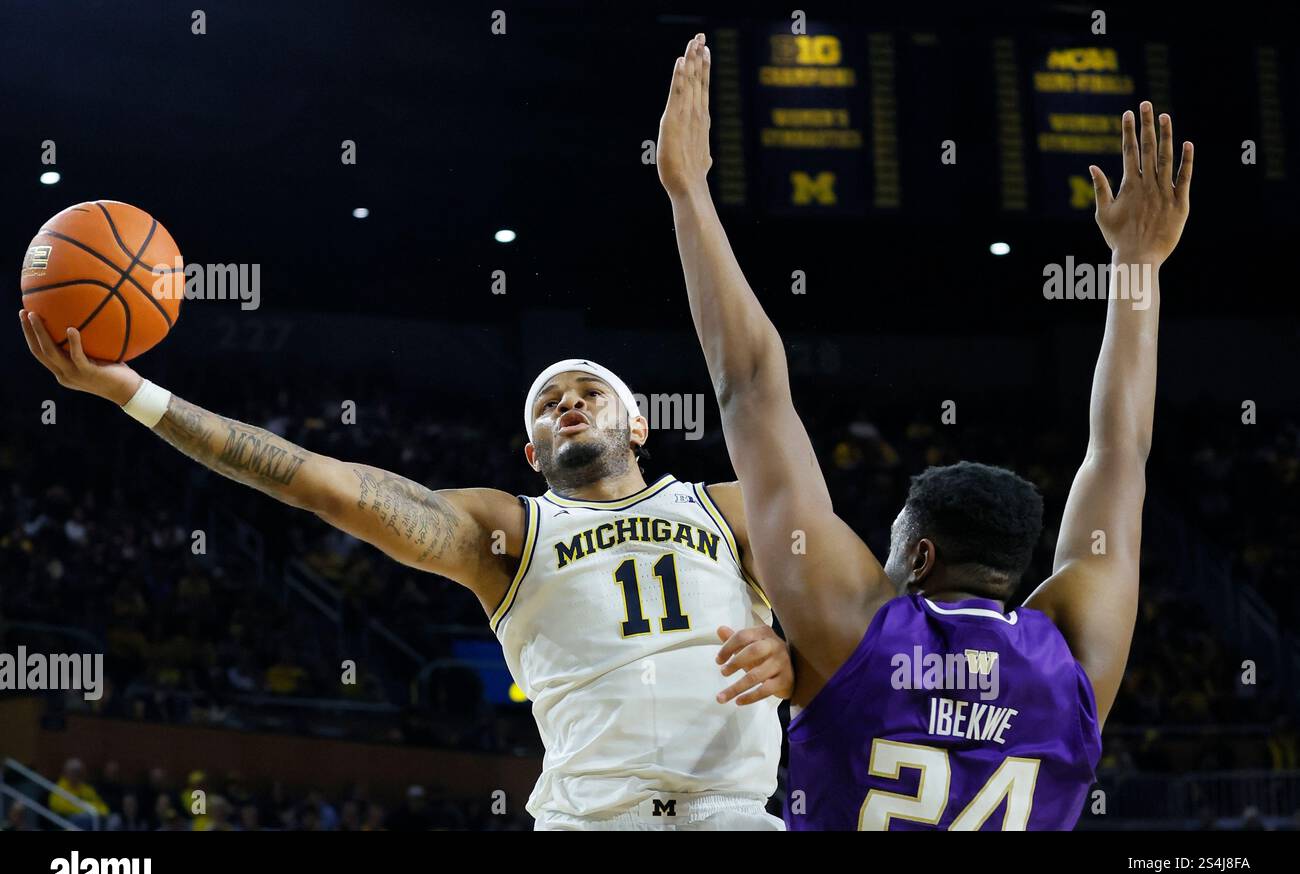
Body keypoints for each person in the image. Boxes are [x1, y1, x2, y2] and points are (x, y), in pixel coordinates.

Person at [657, 34, 1192, 829]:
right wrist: (1138, 265)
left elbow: (752, 387)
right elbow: (1120, 453)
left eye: (893, 539)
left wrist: (688, 193)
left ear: (920, 553)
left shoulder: (863, 634)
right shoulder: (1076, 665)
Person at [19, 320, 795, 830]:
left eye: (590, 393)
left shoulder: (727, 508)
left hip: (734, 810)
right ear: (532, 454)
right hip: (591, 817)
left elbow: (856, 621)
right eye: (547, 402)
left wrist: (797, 662)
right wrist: (132, 391)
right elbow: (314, 480)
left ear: (637, 422)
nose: (567, 405)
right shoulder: (508, 531)